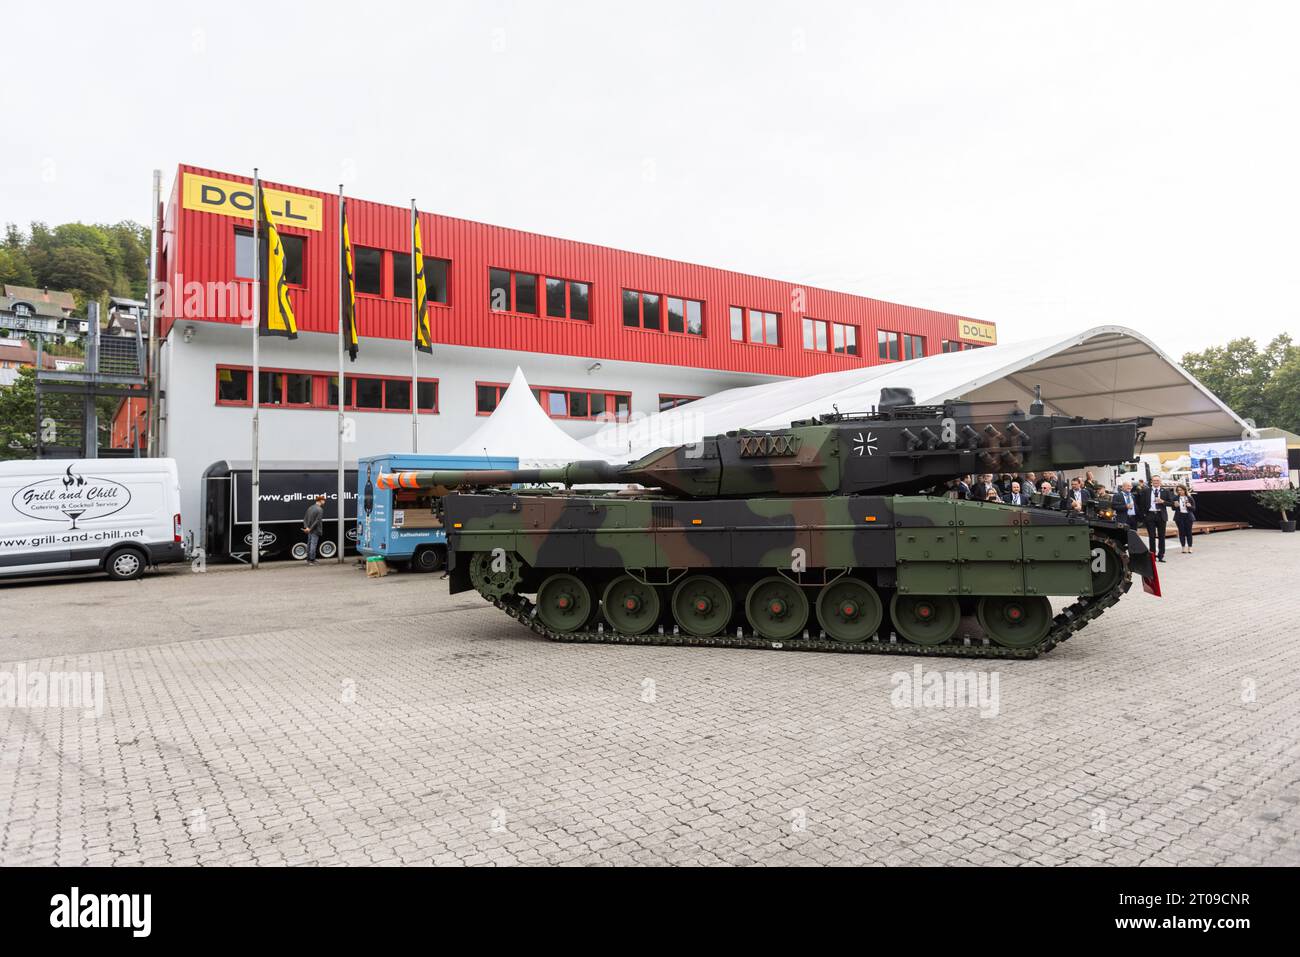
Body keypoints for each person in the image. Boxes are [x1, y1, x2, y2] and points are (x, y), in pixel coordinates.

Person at [1136, 475, 1173, 562]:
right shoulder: (1146, 491)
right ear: (1151, 482)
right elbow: (1141, 504)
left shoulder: (1165, 491)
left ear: (1160, 482)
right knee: (1151, 536)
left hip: (1161, 515)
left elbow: (1171, 503)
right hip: (1150, 515)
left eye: (1157, 480)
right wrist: (1144, 514)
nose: (1156, 482)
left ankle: (1161, 555)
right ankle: (1152, 555)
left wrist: (1163, 501)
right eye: (1154, 480)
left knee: (1161, 536)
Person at [1172, 484, 1197, 554]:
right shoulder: (1175, 498)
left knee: (1189, 532)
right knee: (1181, 532)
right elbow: (1173, 508)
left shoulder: (1189, 498)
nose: (1180, 491)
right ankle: (1183, 547)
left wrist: (1189, 506)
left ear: (1184, 490)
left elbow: (1194, 509)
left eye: (1181, 490)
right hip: (1179, 517)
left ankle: (1190, 547)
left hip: (1188, 516)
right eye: (1178, 490)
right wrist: (1175, 506)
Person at [302, 494, 326, 566]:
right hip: (315, 530)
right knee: (313, 545)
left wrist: (306, 527)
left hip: (309, 530)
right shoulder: (320, 509)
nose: (324, 502)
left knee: (309, 544)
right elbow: (317, 521)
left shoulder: (310, 508)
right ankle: (312, 560)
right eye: (323, 500)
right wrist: (310, 528)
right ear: (320, 500)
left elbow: (305, 519)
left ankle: (308, 559)